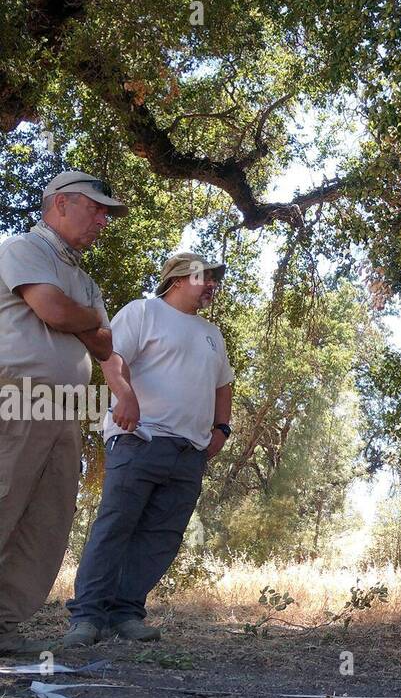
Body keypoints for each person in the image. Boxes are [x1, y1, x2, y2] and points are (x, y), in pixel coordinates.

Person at [62, 253, 233, 645]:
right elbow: (112, 357)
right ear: (176, 280)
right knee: (115, 526)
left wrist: (221, 429)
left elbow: (223, 385)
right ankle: (86, 618)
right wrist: (124, 396)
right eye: (203, 277)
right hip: (139, 440)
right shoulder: (143, 312)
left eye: (213, 279)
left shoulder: (212, 333)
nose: (211, 285)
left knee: (162, 535)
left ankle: (126, 613)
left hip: (190, 452)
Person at [0, 170, 136, 655]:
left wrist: (89, 328)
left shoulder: (85, 279)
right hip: (17, 394)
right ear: (60, 203)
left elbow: (104, 344)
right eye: (96, 207)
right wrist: (88, 319)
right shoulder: (23, 249)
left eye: (106, 211)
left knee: (48, 516)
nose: (103, 219)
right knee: (7, 496)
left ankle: (5, 623)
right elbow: (54, 311)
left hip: (66, 406)